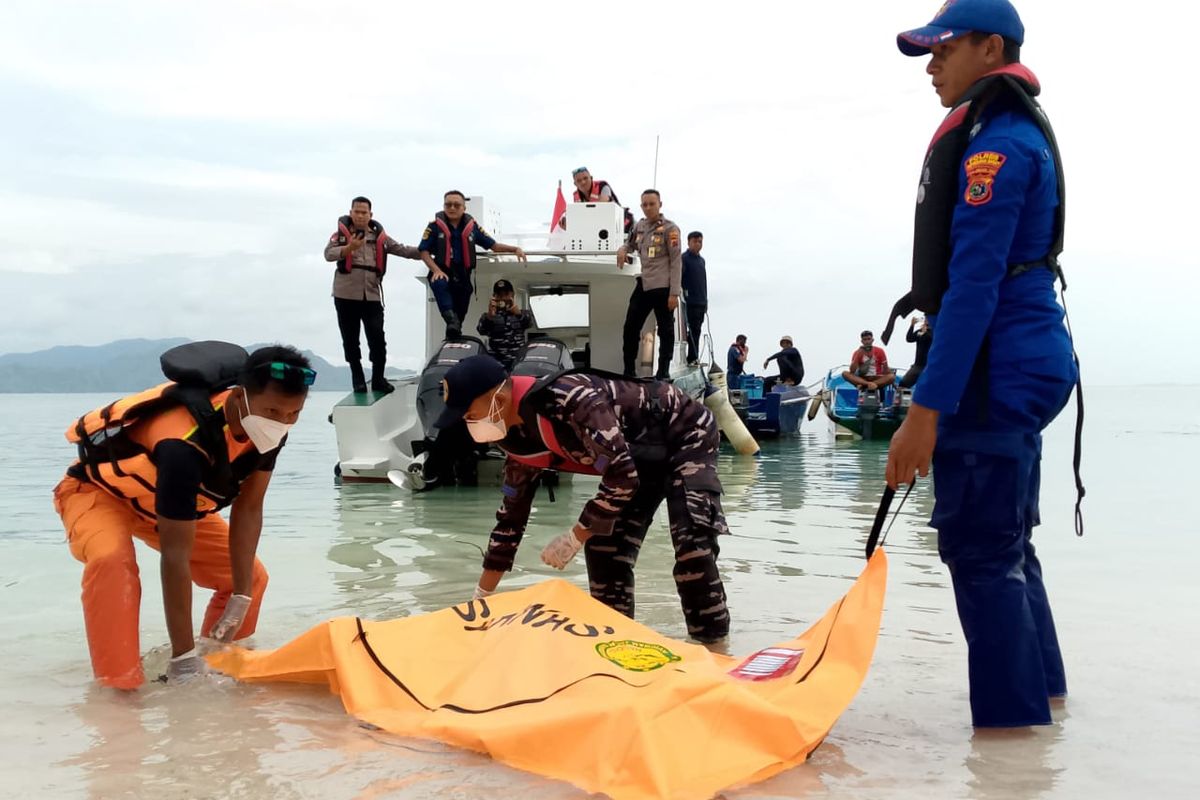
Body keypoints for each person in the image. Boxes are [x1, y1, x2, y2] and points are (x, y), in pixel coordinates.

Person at [885, 0, 1079, 728]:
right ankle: (1045, 708)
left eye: (943, 48)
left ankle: (1008, 742)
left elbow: (973, 288)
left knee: (979, 551)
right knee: (1005, 546)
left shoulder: (995, 149)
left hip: (998, 366)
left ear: (991, 48)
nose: (931, 64)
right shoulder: (1006, 131)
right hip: (1024, 357)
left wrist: (923, 416)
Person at [53, 344, 314, 689]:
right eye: (272, 411)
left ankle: (218, 659)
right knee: (112, 562)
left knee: (251, 577)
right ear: (239, 397)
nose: (281, 423)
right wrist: (181, 657)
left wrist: (241, 594)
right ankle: (119, 689)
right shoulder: (182, 443)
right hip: (101, 494)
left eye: (292, 414)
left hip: (170, 506)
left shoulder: (266, 431)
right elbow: (176, 557)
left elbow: (249, 508)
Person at [439, 355, 731, 643]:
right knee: (604, 548)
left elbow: (622, 476)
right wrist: (481, 600)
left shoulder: (569, 398)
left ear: (496, 399)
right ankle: (616, 643)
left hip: (685, 433)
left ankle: (714, 646)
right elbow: (509, 521)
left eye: (468, 413)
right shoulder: (514, 441)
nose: (467, 421)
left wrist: (574, 536)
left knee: (692, 544)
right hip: (635, 460)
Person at [323, 196, 422, 394]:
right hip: (346, 294)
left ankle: (378, 379)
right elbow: (328, 254)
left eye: (364, 212)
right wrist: (349, 248)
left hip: (372, 295)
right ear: (350, 213)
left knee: (377, 338)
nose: (360, 215)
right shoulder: (341, 235)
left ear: (370, 215)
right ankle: (357, 378)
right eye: (356, 211)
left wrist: (427, 250)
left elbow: (402, 250)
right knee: (350, 340)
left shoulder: (379, 237)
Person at [419, 190, 527, 338]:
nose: (452, 208)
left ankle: (454, 332)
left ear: (464, 208)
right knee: (440, 285)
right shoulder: (434, 226)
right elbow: (423, 250)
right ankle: (451, 322)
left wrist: (515, 249)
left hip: (463, 276)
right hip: (443, 272)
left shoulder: (472, 227)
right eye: (448, 205)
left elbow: (493, 246)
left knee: (460, 312)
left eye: (456, 205)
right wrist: (436, 270)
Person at [616, 190, 683, 379]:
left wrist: (674, 293)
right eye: (644, 204)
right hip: (644, 285)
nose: (648, 208)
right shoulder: (640, 226)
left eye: (651, 204)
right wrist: (622, 249)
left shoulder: (671, 229)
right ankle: (629, 370)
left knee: (666, 330)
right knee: (630, 327)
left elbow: (676, 261)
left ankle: (663, 371)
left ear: (660, 204)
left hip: (663, 287)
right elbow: (630, 245)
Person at [476, 278, 533, 370]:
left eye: (506, 294)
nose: (503, 298)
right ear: (494, 296)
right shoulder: (487, 316)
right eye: (499, 295)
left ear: (512, 295)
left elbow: (529, 323)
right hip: (496, 362)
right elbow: (481, 330)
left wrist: (518, 313)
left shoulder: (523, 313)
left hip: (517, 361)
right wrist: (490, 316)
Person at [562, 167, 634, 233]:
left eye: (585, 178)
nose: (583, 182)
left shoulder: (602, 186)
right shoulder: (576, 196)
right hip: (603, 230)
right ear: (575, 184)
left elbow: (602, 205)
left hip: (625, 224)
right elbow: (580, 218)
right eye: (579, 180)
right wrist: (570, 224)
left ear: (591, 178)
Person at [681, 231, 708, 366]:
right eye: (695, 241)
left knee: (697, 330)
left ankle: (694, 357)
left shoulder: (701, 260)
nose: (698, 244)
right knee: (691, 330)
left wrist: (706, 301)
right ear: (689, 242)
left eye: (700, 241)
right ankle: (691, 358)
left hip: (701, 301)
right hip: (690, 301)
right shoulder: (684, 258)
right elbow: (679, 278)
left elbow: (703, 282)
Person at [900, 317, 932, 388]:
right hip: (917, 365)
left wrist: (925, 332)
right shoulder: (920, 331)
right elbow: (909, 338)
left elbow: (930, 339)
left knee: (927, 388)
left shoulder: (935, 331)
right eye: (925, 318)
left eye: (928, 318)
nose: (926, 319)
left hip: (928, 366)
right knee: (903, 384)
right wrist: (912, 325)